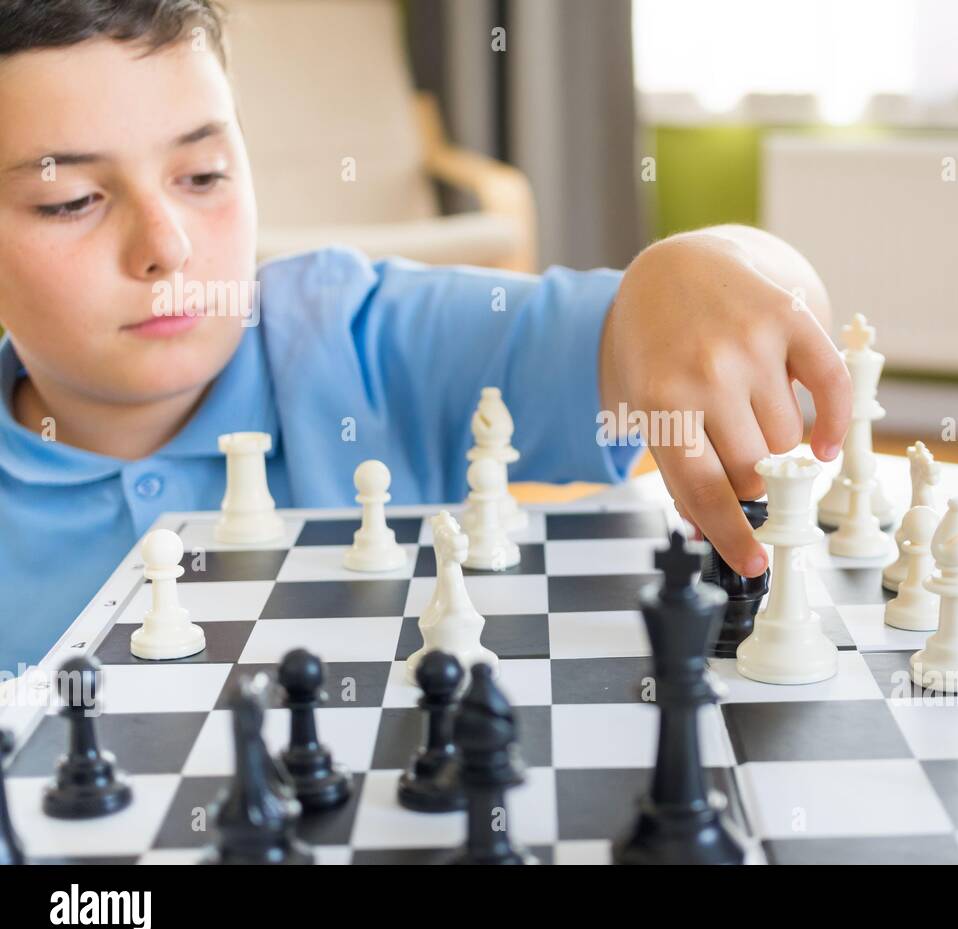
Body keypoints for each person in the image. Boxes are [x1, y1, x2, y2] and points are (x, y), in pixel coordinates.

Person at [0, 0, 848, 675]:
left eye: (203, 175)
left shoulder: (375, 343)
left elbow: (701, 311)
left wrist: (696, 273)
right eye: (70, 200)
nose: (168, 246)